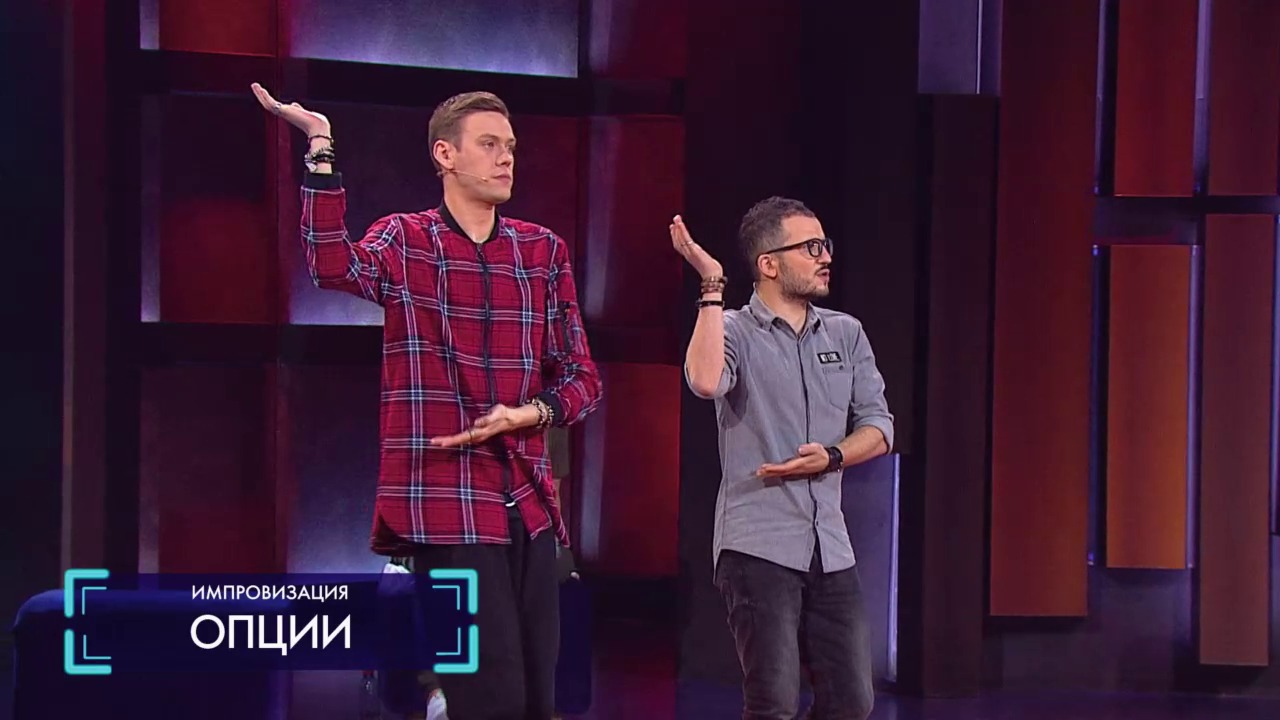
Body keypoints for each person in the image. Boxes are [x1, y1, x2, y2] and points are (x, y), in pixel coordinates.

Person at [252, 83, 603, 720]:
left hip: (528, 502)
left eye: (511, 146)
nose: (506, 158)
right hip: (445, 502)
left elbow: (582, 378)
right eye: (489, 145)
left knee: (538, 701)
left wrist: (532, 413)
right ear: (445, 155)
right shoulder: (407, 240)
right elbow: (331, 264)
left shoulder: (541, 251)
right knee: (489, 698)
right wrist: (320, 146)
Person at [673, 197, 893, 720]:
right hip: (757, 545)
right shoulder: (732, 329)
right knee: (773, 702)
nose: (826, 257)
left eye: (825, 245)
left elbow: (880, 427)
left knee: (852, 701)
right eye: (811, 247)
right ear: (769, 264)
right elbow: (705, 381)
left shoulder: (846, 332)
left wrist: (832, 456)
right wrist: (710, 285)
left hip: (830, 548)